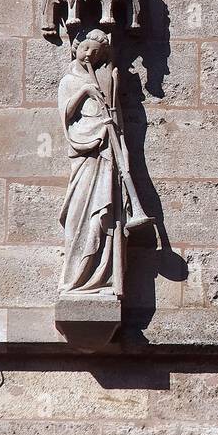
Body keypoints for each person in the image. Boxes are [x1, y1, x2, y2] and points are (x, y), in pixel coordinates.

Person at [57, 28, 127, 296]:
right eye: (86, 49)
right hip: (84, 155)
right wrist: (85, 90)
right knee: (77, 217)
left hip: (104, 156)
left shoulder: (106, 78)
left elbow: (114, 118)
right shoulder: (70, 81)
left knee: (102, 218)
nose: (90, 55)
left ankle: (100, 275)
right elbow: (66, 115)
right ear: (75, 47)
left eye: (96, 53)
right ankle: (74, 277)